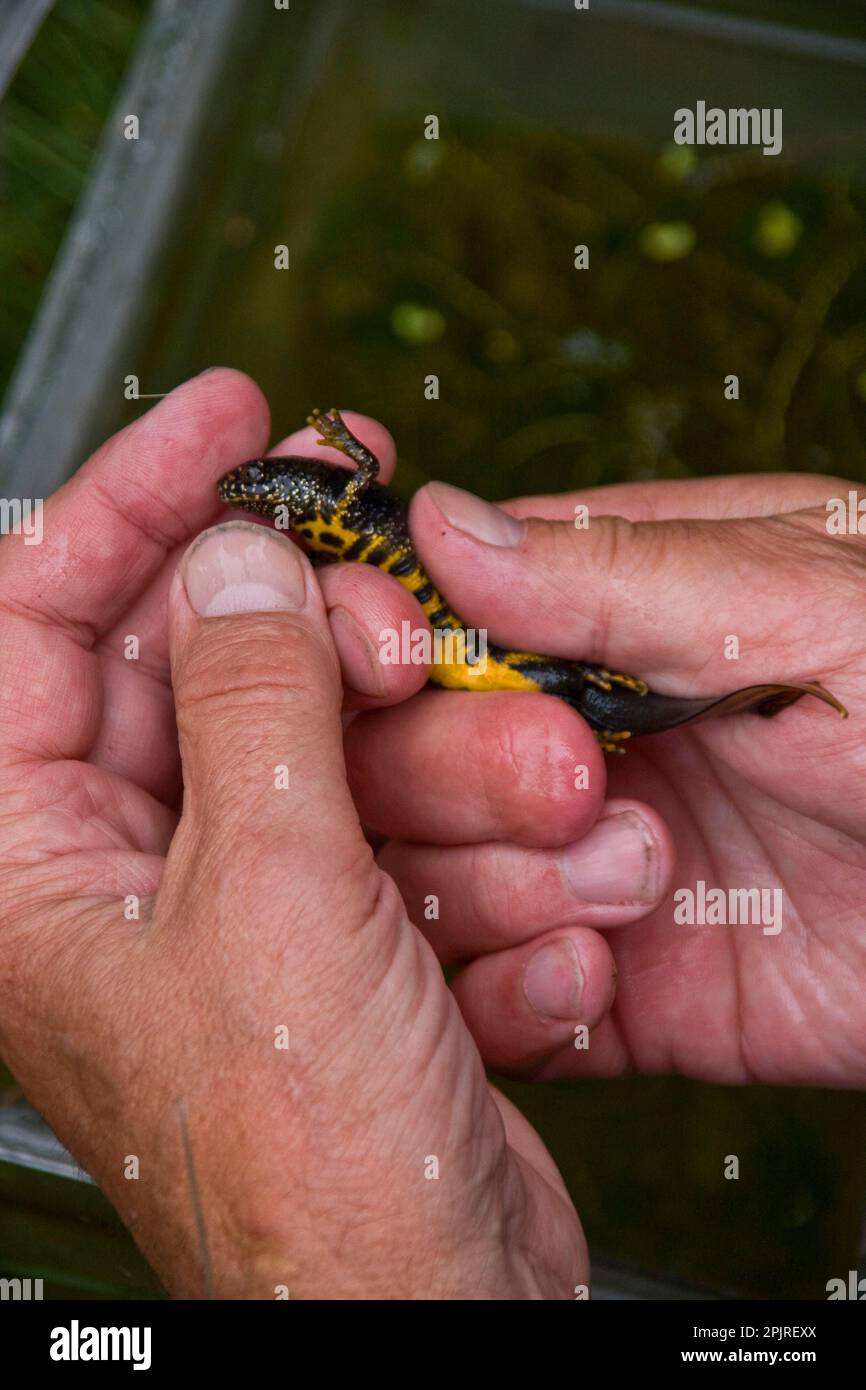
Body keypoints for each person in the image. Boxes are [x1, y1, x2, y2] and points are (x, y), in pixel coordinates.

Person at [0, 369, 862, 1299]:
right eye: (253, 495)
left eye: (258, 492)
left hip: (499, 652)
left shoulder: (345, 505)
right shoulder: (315, 516)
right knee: (481, 720)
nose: (250, 501)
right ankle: (657, 713)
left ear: (291, 496)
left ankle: (686, 708)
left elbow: (365, 476)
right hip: (454, 648)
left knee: (563, 701)